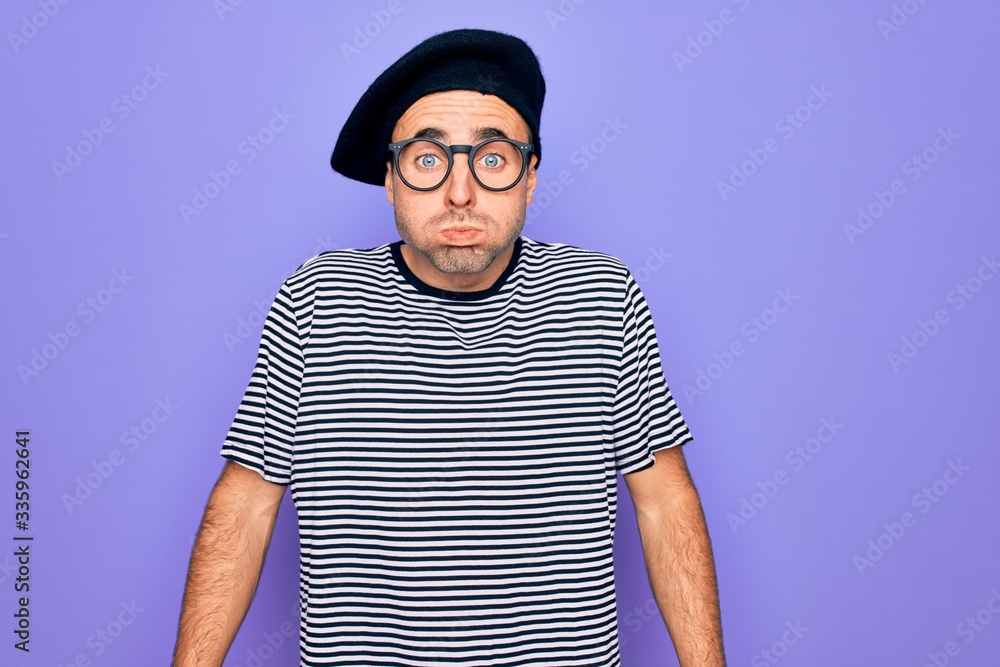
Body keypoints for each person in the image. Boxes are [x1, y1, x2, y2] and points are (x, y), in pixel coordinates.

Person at [172, 28, 725, 667]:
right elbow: (244, 505)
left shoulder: (601, 296)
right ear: (390, 178)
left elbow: (663, 502)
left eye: (492, 158)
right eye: (428, 159)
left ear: (530, 179)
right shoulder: (317, 301)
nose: (460, 192)